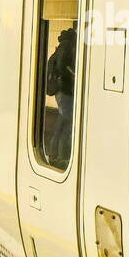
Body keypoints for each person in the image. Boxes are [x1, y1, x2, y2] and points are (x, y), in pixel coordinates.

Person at [44, 25, 77, 167]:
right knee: (66, 123)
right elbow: (63, 68)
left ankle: (55, 155)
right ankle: (60, 156)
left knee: (63, 122)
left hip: (61, 91)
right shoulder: (66, 46)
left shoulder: (62, 46)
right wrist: (74, 75)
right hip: (64, 90)